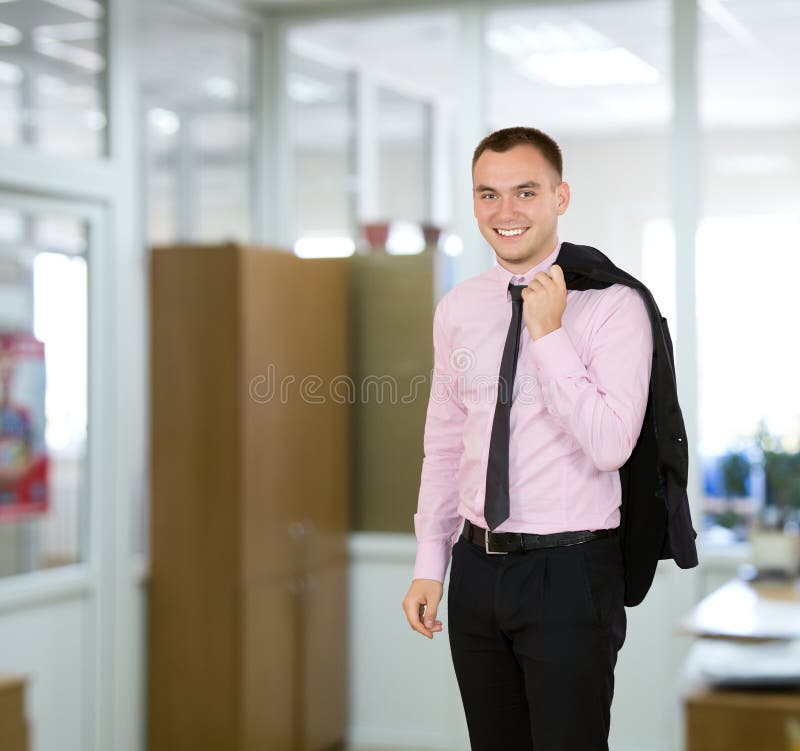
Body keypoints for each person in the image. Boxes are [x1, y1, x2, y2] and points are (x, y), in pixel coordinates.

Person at [401, 126, 654, 750]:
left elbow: (610, 446)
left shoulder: (614, 306)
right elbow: (446, 440)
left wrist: (548, 335)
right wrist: (429, 564)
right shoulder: (460, 307)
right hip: (477, 570)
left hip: (570, 573)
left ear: (560, 197)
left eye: (525, 192)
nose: (504, 212)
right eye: (488, 194)